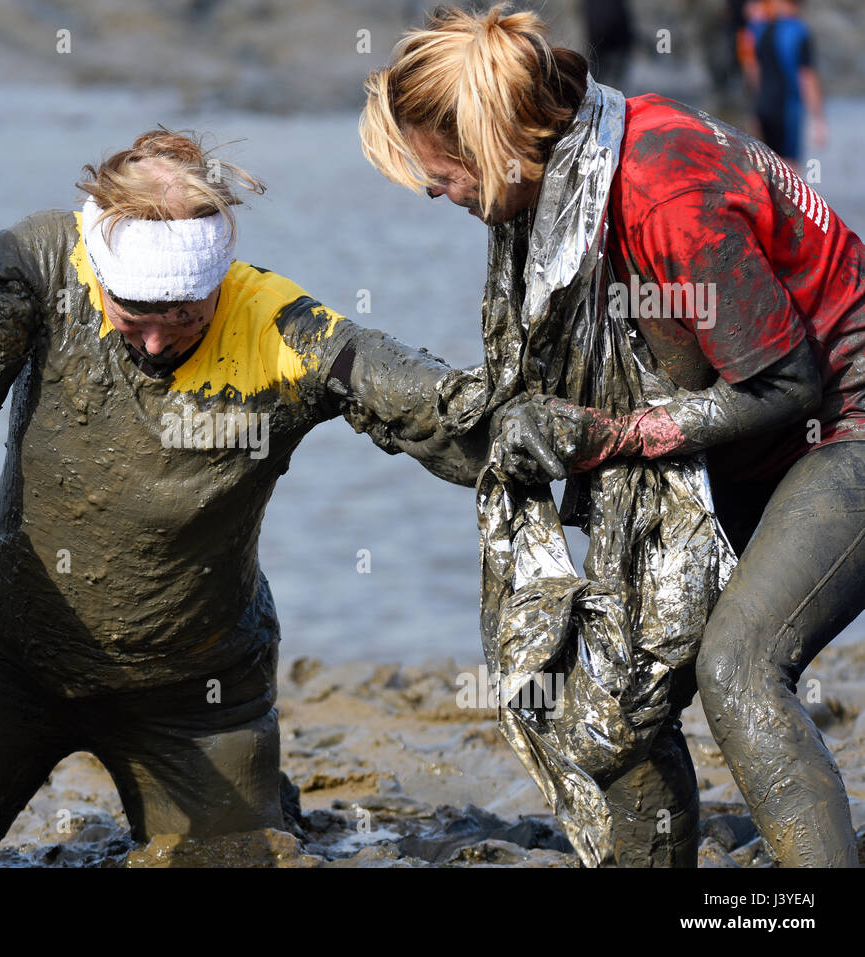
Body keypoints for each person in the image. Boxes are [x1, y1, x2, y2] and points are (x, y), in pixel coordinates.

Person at [0, 128, 487, 866]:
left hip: (197, 687)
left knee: (242, 857)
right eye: (135, 314)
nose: (156, 342)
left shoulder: (284, 326)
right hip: (1, 659)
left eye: (185, 315)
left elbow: (439, 412)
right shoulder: (34, 263)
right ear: (98, 267)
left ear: (219, 281)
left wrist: (573, 435)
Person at [361, 3, 865, 867]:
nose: (438, 197)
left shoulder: (661, 188)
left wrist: (611, 434)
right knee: (618, 679)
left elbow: (786, 381)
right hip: (740, 435)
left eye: (441, 177)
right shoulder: (566, 171)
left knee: (738, 666)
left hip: (837, 426)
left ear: (493, 145)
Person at [740, 0, 826, 161]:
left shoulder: (757, 29)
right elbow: (807, 78)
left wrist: (754, 109)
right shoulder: (799, 32)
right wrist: (818, 120)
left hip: (762, 107)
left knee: (764, 167)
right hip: (787, 110)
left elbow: (751, 71)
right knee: (789, 169)